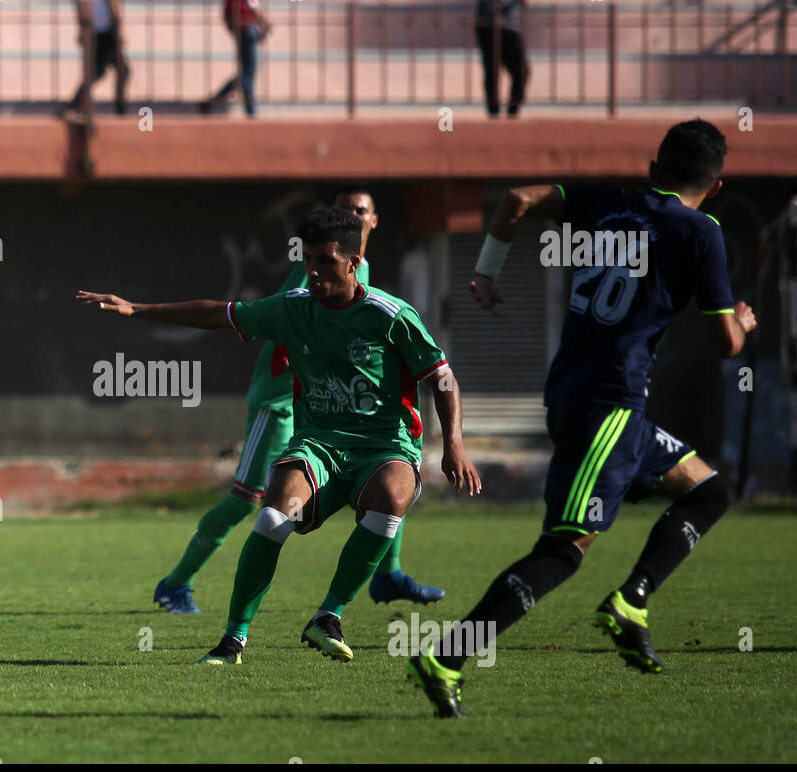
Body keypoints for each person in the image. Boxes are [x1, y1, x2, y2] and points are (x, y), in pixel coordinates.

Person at [409, 119, 757, 718]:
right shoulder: (701, 230)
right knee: (565, 549)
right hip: (608, 406)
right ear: (717, 185)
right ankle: (450, 655)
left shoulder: (603, 201)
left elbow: (517, 199)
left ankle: (633, 600)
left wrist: (488, 272)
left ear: (653, 168)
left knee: (708, 490)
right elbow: (724, 342)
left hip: (600, 403)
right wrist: (745, 324)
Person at [80, 207, 480, 665]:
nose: (312, 270)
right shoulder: (292, 308)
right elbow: (218, 313)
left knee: (392, 497)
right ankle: (233, 640)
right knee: (271, 515)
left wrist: (454, 445)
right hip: (318, 444)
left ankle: (328, 615)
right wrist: (137, 309)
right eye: (307, 258)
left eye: (325, 261)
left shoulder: (390, 316)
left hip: (385, 446)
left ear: (353, 263)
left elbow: (443, 377)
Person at [154, 187, 446, 618]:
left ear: (373, 221)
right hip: (281, 402)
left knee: (387, 468)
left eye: (360, 211)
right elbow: (270, 315)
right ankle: (176, 583)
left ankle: (387, 572)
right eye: (344, 211)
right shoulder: (314, 273)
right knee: (247, 500)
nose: (353, 216)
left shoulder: (364, 278)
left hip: (330, 412)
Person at [200, 0, 270, 118]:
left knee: (245, 73)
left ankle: (213, 102)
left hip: (241, 28)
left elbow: (226, 15)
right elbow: (253, 6)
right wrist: (264, 24)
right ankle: (250, 111)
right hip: (248, 27)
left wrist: (233, 29)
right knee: (248, 73)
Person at [68, 0, 129, 116]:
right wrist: (82, 32)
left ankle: (120, 105)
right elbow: (81, 11)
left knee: (121, 70)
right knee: (96, 72)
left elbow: (114, 9)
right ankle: (75, 104)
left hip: (109, 33)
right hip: (94, 34)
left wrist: (119, 31)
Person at [474, 0, 527, 118]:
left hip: (510, 27)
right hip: (487, 25)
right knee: (492, 71)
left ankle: (512, 109)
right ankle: (493, 111)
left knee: (521, 71)